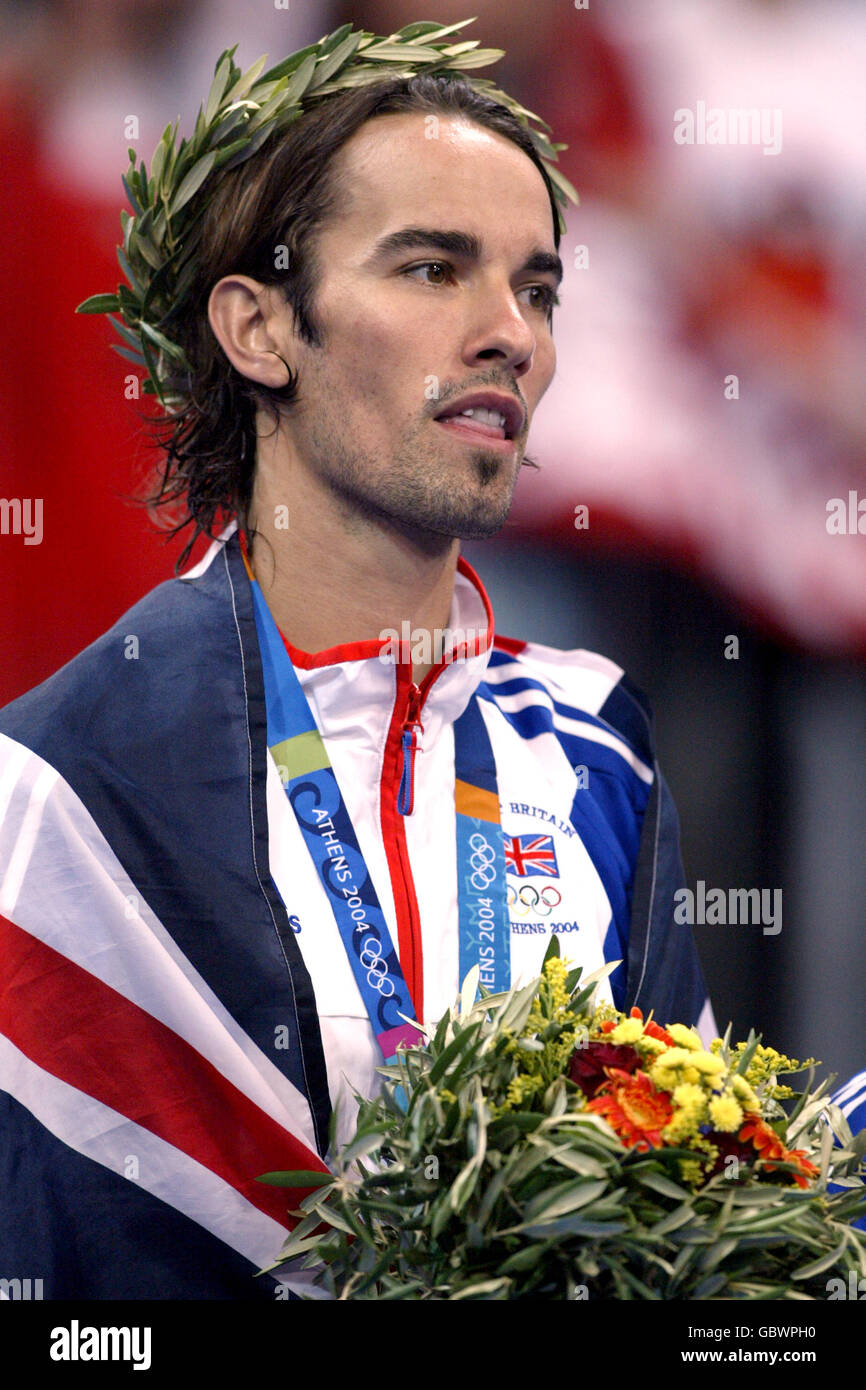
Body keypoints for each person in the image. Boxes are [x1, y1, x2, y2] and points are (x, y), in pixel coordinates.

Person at [0, 21, 711, 1299]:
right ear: (259, 329)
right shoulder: (72, 770)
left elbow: (693, 1221)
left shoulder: (595, 741)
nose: (509, 334)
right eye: (433, 269)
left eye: (536, 288)